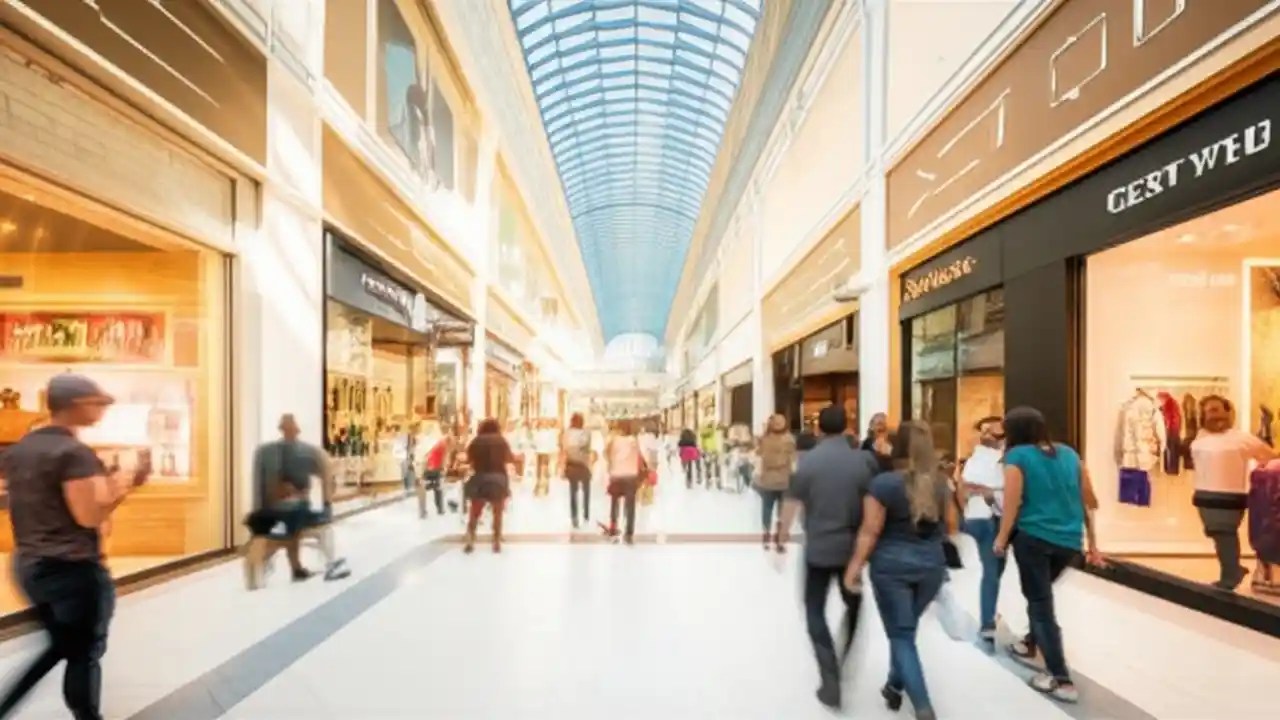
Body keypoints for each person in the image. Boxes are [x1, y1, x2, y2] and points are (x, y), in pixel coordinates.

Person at [0, 375, 145, 720]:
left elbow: (12, 499)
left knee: (61, 645)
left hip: (28, 565)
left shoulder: (20, 450)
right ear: (78, 404)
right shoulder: (73, 452)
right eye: (98, 403)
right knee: (82, 651)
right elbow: (89, 516)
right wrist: (124, 485)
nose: (102, 410)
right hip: (72, 569)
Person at [843, 422, 953, 720]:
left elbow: (870, 531)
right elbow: (952, 527)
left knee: (901, 634)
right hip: (930, 565)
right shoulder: (941, 483)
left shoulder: (884, 484)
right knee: (905, 629)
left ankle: (923, 708)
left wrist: (854, 567)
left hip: (891, 567)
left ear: (896, 447)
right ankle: (894, 684)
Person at [994, 407, 1102, 704]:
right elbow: (1089, 500)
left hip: (1034, 538)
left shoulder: (1017, 458)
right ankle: (1031, 643)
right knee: (1039, 594)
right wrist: (1093, 544)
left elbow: (1012, 504)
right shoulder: (1069, 454)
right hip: (1069, 542)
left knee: (1040, 603)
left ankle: (1060, 677)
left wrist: (1001, 539)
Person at [779, 406, 881, 709]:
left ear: (819, 430)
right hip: (852, 549)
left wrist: (781, 536)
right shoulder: (863, 461)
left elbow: (791, 503)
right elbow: (874, 506)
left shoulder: (808, 463)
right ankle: (843, 657)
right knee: (854, 605)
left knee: (814, 609)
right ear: (847, 427)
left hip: (818, 549)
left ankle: (829, 674)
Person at [1190, 395, 1274, 591]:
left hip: (1228, 497)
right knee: (1217, 534)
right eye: (1209, 411)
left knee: (1224, 533)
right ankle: (1233, 569)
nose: (1214, 415)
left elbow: (1268, 456)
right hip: (1204, 496)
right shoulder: (1200, 437)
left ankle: (1230, 575)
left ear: (1228, 411)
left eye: (1218, 409)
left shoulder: (1242, 438)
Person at [958, 415, 1007, 641]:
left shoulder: (973, 460)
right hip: (992, 519)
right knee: (992, 571)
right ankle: (987, 620)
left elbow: (962, 488)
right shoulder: (1002, 460)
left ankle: (990, 612)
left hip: (973, 516)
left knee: (992, 571)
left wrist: (964, 510)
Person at [464, 419, 515, 554]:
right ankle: (496, 540)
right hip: (498, 479)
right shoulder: (502, 441)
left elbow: (468, 459)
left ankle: (470, 537)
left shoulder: (476, 441)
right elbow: (509, 458)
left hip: (479, 479)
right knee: (497, 512)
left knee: (475, 512)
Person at [755, 414, 796, 552]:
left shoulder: (764, 439)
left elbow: (759, 455)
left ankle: (766, 535)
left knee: (767, 508)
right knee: (781, 511)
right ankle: (779, 539)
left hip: (768, 480)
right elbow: (791, 460)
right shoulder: (789, 439)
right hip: (784, 480)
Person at [605, 420, 645, 543]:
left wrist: (611, 465)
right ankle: (629, 530)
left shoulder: (614, 440)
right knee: (630, 504)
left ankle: (613, 525)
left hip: (616, 474)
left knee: (614, 501)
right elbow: (640, 457)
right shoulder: (634, 441)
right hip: (631, 475)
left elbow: (607, 454)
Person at [560, 413, 594, 529]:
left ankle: (574, 517)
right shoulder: (586, 433)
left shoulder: (566, 434)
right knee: (586, 490)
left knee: (573, 492)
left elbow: (564, 449)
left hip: (572, 464)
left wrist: (562, 467)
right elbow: (587, 447)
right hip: (583, 465)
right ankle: (586, 514)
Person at [420, 427, 456, 518]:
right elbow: (444, 459)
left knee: (431, 487)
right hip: (436, 469)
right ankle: (440, 509)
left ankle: (424, 510)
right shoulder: (444, 446)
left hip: (429, 469)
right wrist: (444, 469)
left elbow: (428, 455)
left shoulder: (438, 444)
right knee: (438, 488)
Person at [534, 419, 559, 496]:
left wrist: (553, 451)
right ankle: (539, 483)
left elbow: (552, 443)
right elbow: (535, 442)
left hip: (545, 452)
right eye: (542, 423)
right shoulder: (539, 432)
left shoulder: (550, 433)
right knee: (540, 468)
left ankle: (545, 484)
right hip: (540, 452)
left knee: (544, 468)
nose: (543, 425)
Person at [699, 423, 723, 488]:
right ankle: (718, 482)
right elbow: (719, 442)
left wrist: (702, 450)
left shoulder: (704, 433)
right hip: (715, 451)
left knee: (708, 466)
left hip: (707, 451)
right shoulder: (716, 432)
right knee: (717, 466)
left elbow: (701, 442)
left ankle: (708, 481)